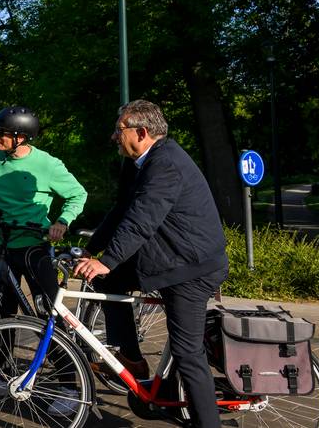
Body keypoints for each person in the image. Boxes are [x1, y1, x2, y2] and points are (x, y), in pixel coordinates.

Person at [75, 100, 228, 428]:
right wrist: (92, 251)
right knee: (107, 280)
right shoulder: (137, 163)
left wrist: (110, 260)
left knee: (188, 355)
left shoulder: (165, 163)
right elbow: (121, 211)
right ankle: (134, 360)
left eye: (120, 131)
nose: (115, 137)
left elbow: (143, 218)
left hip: (192, 267)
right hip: (170, 257)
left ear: (141, 132)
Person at [0, 106, 87, 317]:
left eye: (2, 133)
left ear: (20, 138)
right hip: (0, 244)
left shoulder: (47, 164)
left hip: (33, 245)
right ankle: (0, 349)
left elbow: (78, 194)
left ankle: (60, 350)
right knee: (1, 309)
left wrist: (62, 221)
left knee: (48, 310)